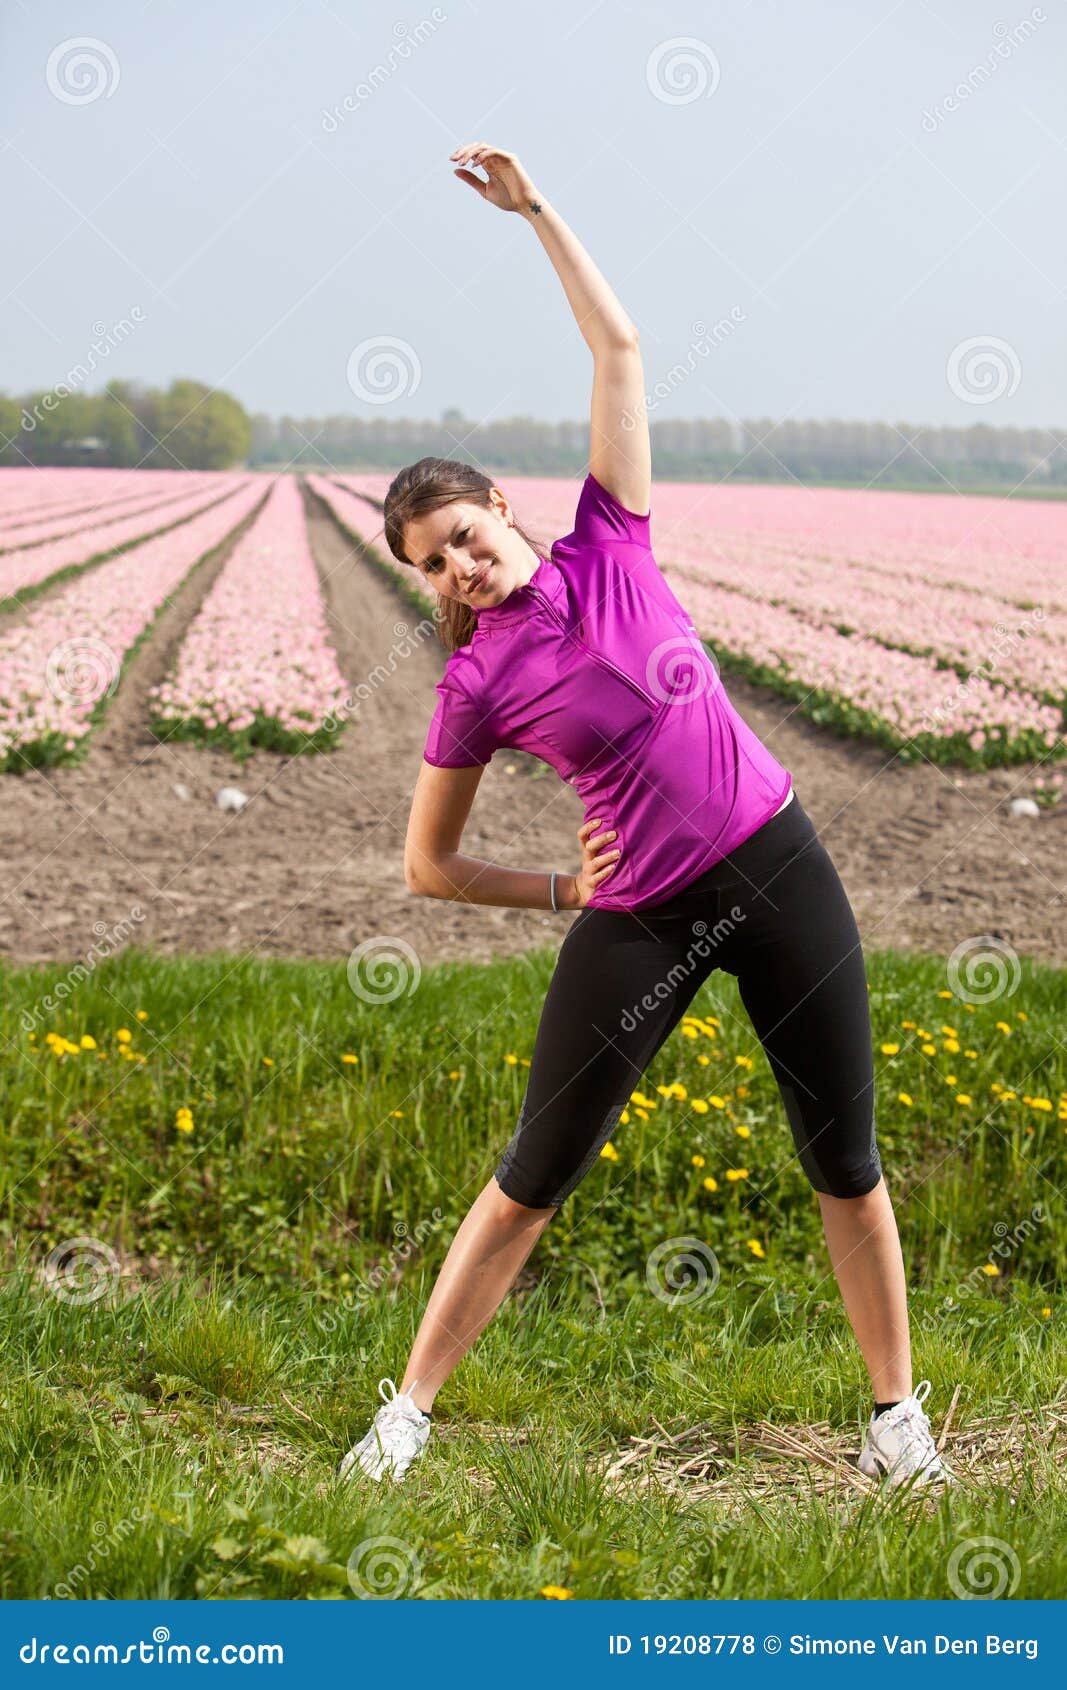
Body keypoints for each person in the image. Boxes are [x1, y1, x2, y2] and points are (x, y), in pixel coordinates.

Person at [338, 143, 951, 1493]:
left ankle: (895, 1421)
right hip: (640, 914)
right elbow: (426, 868)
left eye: (463, 532)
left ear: (503, 503)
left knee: (844, 1156)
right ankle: (406, 1414)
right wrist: (560, 893)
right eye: (433, 562)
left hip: (780, 865)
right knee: (536, 1168)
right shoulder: (474, 682)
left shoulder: (612, 536)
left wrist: (536, 212)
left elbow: (617, 345)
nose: (459, 564)